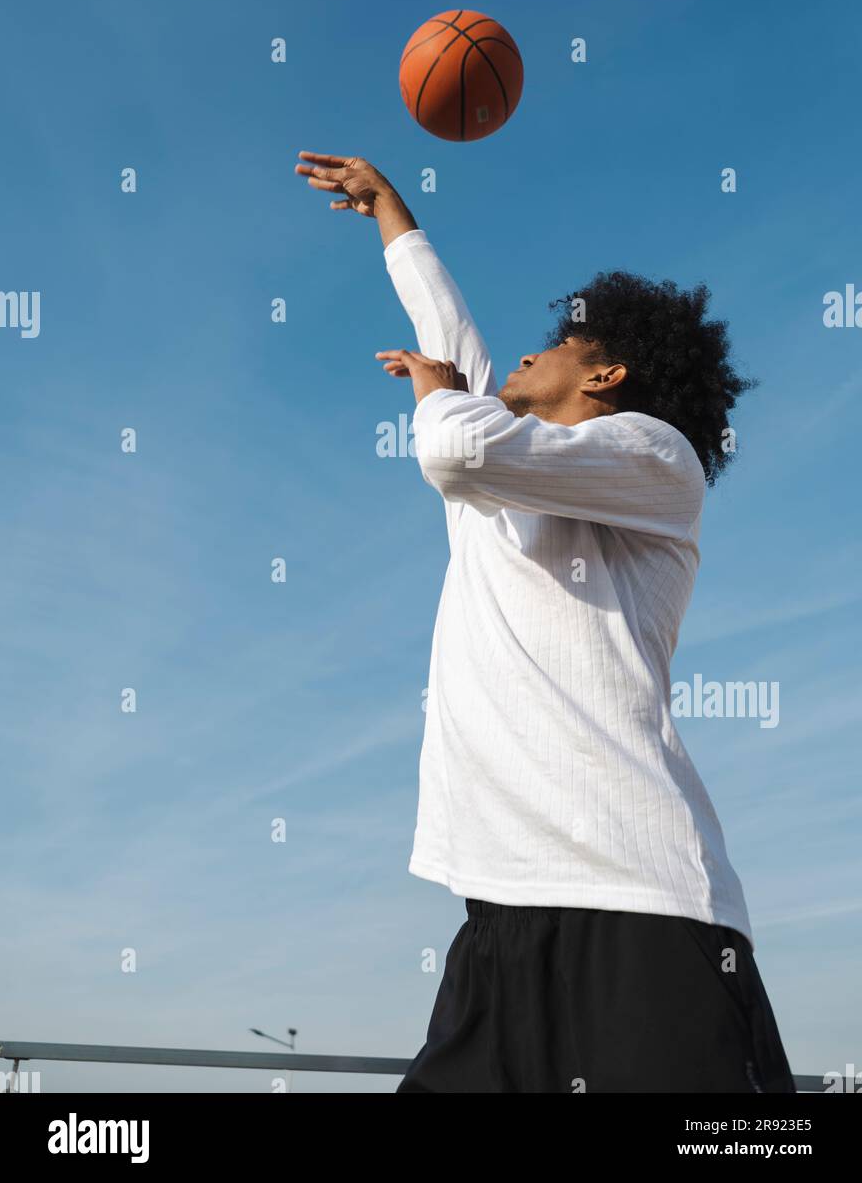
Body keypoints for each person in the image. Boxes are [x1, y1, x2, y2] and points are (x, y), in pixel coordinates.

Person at [295, 151, 796, 1094]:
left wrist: (440, 395)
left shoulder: (655, 457)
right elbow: (456, 351)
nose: (527, 353)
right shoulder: (504, 481)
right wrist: (389, 213)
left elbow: (449, 441)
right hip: (503, 910)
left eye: (557, 343)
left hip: (642, 911)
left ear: (606, 372)